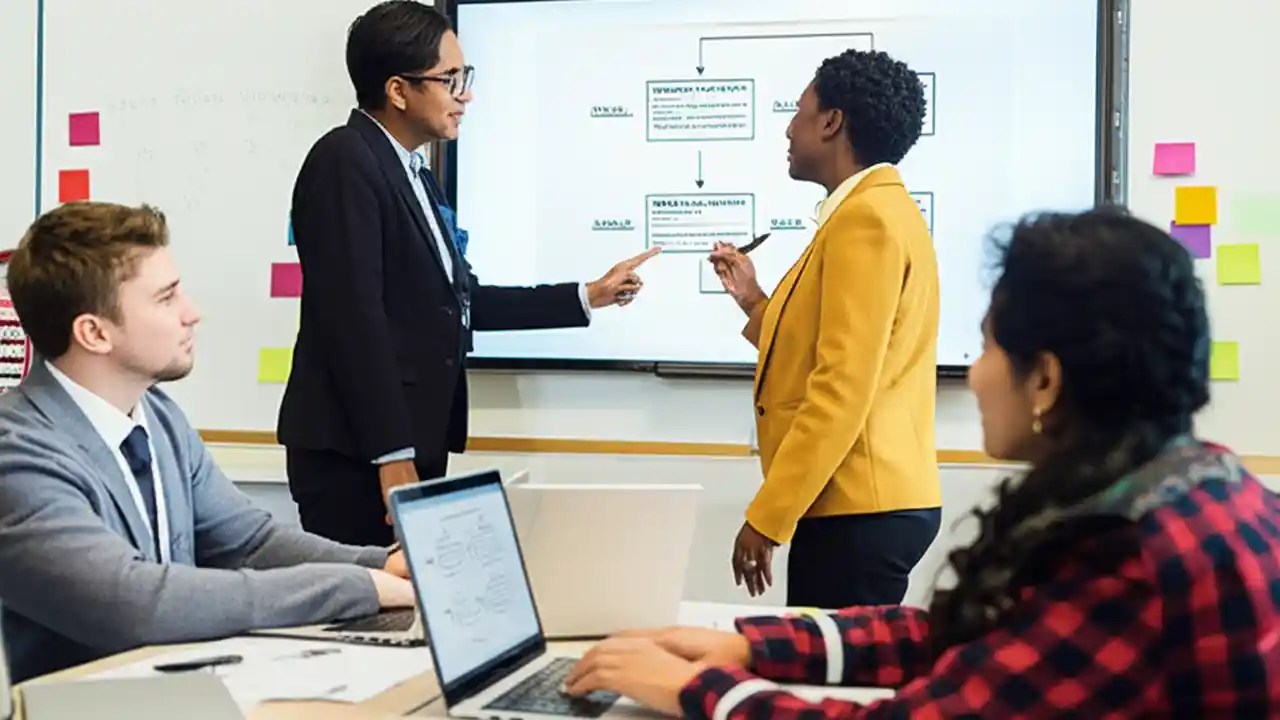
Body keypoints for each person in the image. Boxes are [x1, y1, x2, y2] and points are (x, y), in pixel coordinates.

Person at [563, 208, 1280, 717]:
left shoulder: (1126, 555)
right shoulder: (1200, 485)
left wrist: (693, 690)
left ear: (1046, 379)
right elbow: (956, 637)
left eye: (988, 346)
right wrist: (747, 646)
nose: (976, 374)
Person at [279, 0, 659, 547]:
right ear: (398, 90)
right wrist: (391, 454)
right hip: (357, 454)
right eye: (450, 79)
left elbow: (458, 300)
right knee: (371, 597)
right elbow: (352, 320)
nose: (466, 95)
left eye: (465, 77)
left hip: (407, 443)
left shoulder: (413, 172)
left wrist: (587, 295)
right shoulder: (344, 160)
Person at [0, 202, 416, 683]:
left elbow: (251, 544)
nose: (191, 313)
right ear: (94, 332)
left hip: (171, 691)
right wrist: (359, 586)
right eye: (166, 298)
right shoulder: (18, 452)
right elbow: (138, 605)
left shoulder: (157, 416)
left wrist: (382, 564)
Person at [708, 48, 941, 607]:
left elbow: (841, 386)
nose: (789, 129)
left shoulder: (866, 220)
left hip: (859, 506)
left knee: (828, 663)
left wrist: (768, 516)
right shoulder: (875, 211)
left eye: (799, 112)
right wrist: (753, 299)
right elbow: (820, 348)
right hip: (866, 504)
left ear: (832, 121)